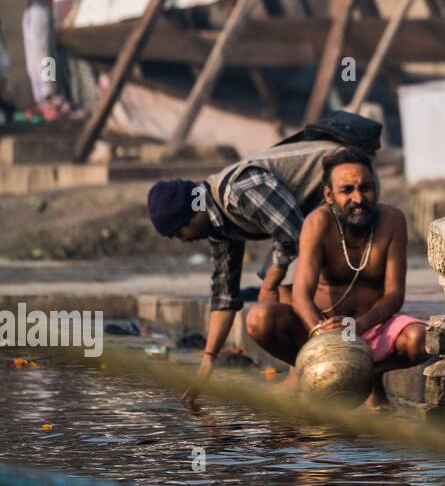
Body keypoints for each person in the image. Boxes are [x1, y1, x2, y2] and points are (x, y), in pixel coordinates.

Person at [147, 137, 349, 406]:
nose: (183, 240)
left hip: (346, 179)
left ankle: (348, 379)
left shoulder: (238, 191)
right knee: (282, 292)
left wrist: (270, 279)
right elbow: (224, 297)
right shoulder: (218, 225)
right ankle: (302, 372)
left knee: (309, 286)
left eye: (179, 232)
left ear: (192, 213)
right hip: (314, 210)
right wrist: (208, 360)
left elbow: (293, 232)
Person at [244, 147, 428, 410]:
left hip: (371, 329)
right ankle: (307, 372)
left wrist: (357, 327)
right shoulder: (317, 222)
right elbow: (301, 293)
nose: (358, 198)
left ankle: (370, 376)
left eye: (365, 188)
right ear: (329, 195)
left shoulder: (392, 220)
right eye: (347, 190)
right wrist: (324, 335)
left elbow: (394, 295)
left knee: (422, 339)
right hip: (320, 329)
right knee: (258, 319)